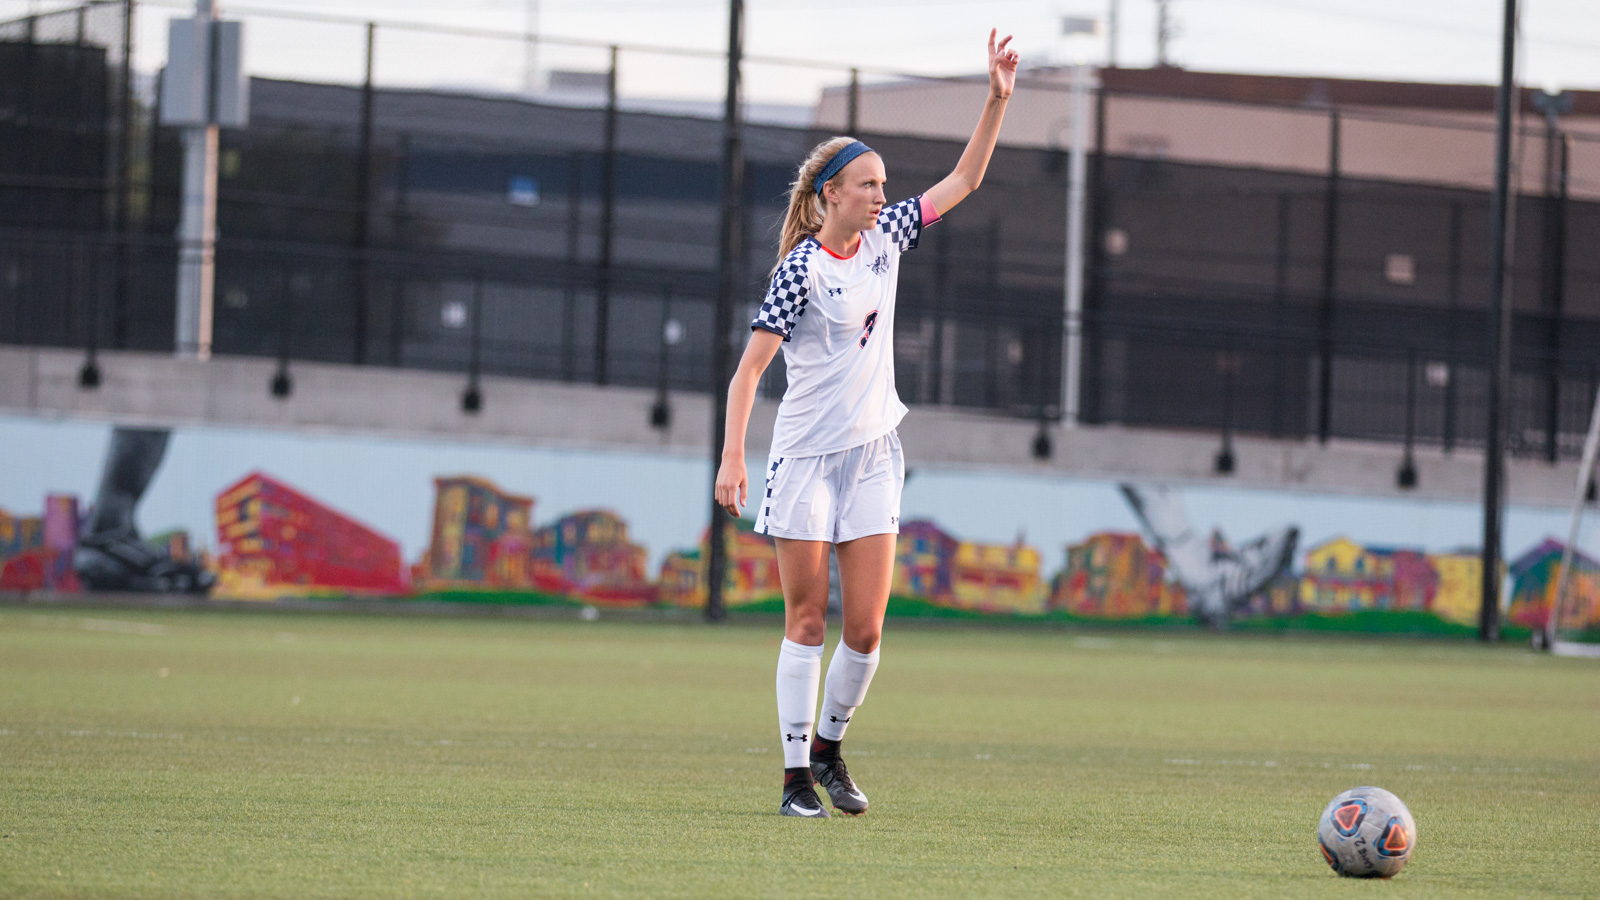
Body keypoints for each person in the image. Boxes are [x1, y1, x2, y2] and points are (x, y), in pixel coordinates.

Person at [714, 29, 1020, 818]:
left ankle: (829, 751)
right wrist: (732, 460)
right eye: (868, 183)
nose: (883, 194)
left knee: (869, 631)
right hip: (806, 459)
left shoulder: (889, 240)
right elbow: (750, 370)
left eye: (884, 183)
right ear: (830, 196)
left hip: (876, 455)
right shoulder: (800, 269)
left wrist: (996, 99)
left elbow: (965, 179)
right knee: (808, 619)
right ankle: (791, 781)